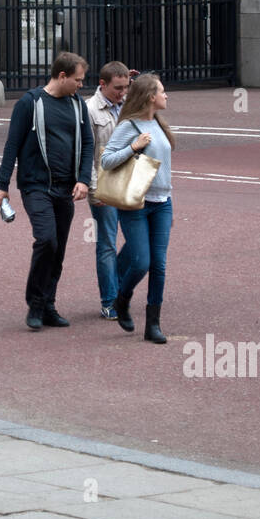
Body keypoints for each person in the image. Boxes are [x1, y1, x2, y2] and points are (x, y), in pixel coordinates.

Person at [0, 51, 93, 330]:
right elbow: (12, 144)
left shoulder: (77, 105)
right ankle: (35, 303)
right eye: (78, 80)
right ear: (62, 76)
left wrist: (84, 179)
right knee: (47, 239)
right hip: (36, 186)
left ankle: (49, 305)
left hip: (66, 188)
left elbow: (88, 143)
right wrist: (2, 185)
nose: (81, 85)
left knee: (57, 250)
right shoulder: (30, 103)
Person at [100, 73, 175, 344]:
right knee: (141, 261)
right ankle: (123, 298)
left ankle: (153, 324)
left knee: (160, 266)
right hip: (136, 204)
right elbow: (107, 161)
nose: (166, 96)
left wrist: (171, 204)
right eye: (162, 91)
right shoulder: (129, 126)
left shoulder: (158, 123)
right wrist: (133, 147)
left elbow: (165, 168)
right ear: (150, 96)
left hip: (162, 204)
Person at [86, 61, 131, 318]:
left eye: (126, 87)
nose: (122, 93)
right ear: (102, 84)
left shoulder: (128, 103)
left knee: (138, 241)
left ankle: (118, 285)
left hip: (130, 182)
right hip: (104, 184)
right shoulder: (90, 110)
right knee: (107, 243)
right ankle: (110, 300)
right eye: (117, 88)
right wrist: (94, 189)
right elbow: (87, 155)